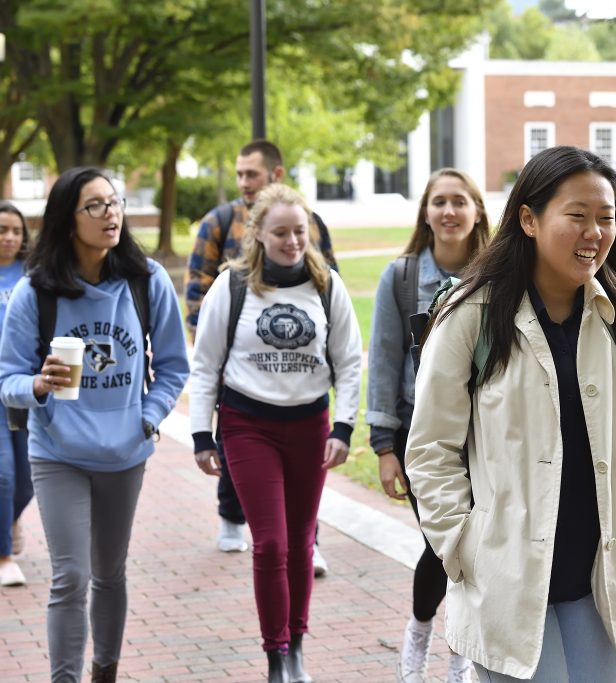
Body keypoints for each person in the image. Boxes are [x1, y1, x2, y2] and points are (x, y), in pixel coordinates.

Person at [405, 146, 616, 682]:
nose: (595, 233)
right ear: (529, 219)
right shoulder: (472, 310)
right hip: (506, 578)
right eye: (577, 216)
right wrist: (461, 542)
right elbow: (430, 447)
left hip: (596, 578)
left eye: (606, 218)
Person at [0, 167, 190, 682]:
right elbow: (7, 378)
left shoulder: (146, 281)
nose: (111, 214)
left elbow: (174, 366)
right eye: (95, 206)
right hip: (58, 452)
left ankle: (104, 672)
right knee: (71, 577)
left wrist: (147, 418)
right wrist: (38, 385)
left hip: (125, 452)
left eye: (115, 202)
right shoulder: (35, 293)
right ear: (68, 221)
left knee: (109, 574)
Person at [188, 183, 362, 683]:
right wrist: (202, 434)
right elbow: (206, 366)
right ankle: (275, 656)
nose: (291, 241)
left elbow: (350, 363)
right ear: (258, 234)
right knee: (269, 544)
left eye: (299, 231)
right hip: (248, 426)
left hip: (309, 426)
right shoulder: (233, 285)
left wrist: (344, 427)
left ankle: (297, 648)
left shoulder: (328, 284)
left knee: (301, 542)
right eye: (280, 232)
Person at [186, 139, 336, 572]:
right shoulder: (217, 222)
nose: (242, 182)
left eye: (250, 173)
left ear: (275, 174)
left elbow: (327, 281)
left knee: (300, 467)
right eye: (238, 174)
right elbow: (197, 284)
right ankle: (231, 515)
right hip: (234, 357)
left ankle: (309, 542)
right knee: (236, 446)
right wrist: (212, 350)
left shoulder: (310, 221)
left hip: (296, 366)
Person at [366, 168, 490, 683]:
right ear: (425, 212)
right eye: (439, 202)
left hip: (485, 435)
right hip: (421, 436)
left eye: (459, 201)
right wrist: (382, 445)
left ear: (477, 211)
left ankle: (461, 651)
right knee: (443, 542)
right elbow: (384, 360)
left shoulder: (497, 274)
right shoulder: (402, 278)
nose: (448, 211)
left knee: (479, 543)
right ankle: (420, 635)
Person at [0, 200, 33, 588]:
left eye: (15, 231)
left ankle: (7, 520)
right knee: (4, 475)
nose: (9, 237)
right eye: (2, 230)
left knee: (28, 479)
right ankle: (4, 555)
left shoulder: (32, 275)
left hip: (26, 389)